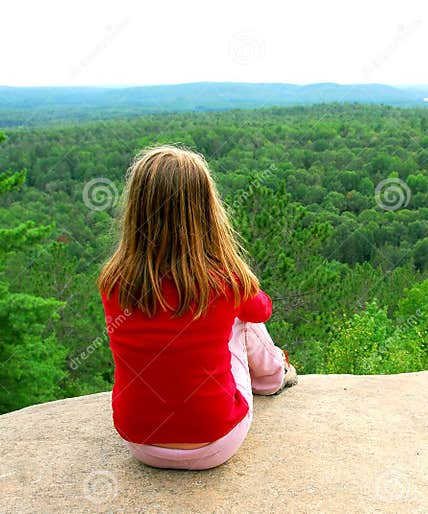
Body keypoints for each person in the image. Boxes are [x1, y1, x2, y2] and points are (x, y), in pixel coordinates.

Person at [97, 144, 297, 470]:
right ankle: (275, 377)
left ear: (135, 208)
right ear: (205, 209)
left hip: (141, 443)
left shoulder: (114, 281)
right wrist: (240, 280)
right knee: (241, 319)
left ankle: (272, 375)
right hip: (216, 442)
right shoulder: (225, 280)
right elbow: (262, 311)